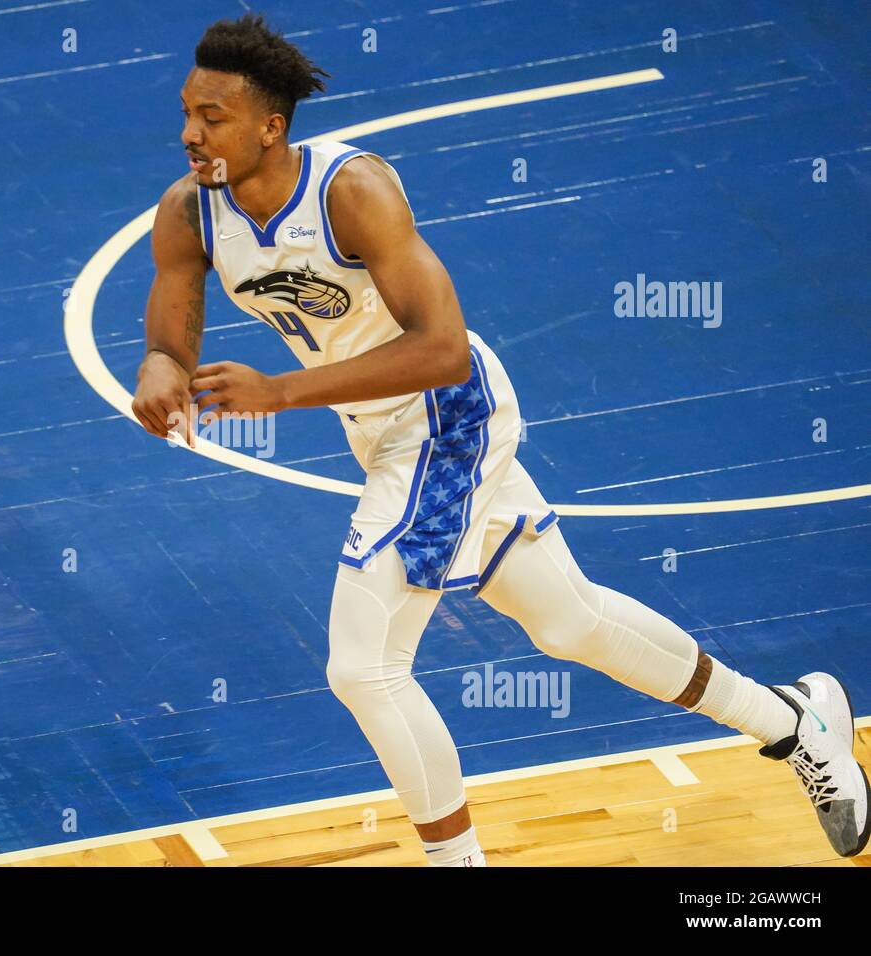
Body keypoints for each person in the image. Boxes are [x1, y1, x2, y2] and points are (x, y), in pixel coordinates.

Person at [130, 13, 869, 865]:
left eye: (212, 118)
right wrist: (159, 366)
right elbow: (171, 322)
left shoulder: (351, 193)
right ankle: (796, 720)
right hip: (379, 430)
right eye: (187, 112)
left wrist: (281, 392)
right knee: (570, 622)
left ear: (271, 127)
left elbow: (441, 350)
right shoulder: (190, 210)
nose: (190, 133)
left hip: (446, 419)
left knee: (362, 668)